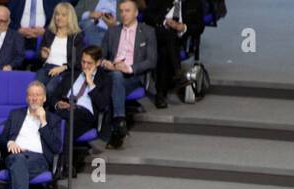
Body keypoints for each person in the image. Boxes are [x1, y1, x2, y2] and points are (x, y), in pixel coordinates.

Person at [0, 80, 62, 189]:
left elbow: (56, 147)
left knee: (16, 167)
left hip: (38, 159)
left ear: (44, 98)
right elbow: (1, 140)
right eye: (31, 95)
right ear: (27, 98)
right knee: (17, 160)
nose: (34, 98)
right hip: (15, 154)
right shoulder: (15, 114)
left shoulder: (53, 119)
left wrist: (43, 122)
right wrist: (10, 142)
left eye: (38, 95)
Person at [98, 0, 155, 149]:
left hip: (133, 76)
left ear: (136, 13)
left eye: (127, 11)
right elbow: (101, 56)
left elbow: (151, 61)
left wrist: (129, 68)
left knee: (114, 82)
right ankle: (119, 123)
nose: (123, 14)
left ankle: (116, 124)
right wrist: (106, 63)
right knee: (115, 78)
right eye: (121, 11)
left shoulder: (148, 31)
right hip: (112, 74)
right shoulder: (112, 31)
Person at [142, 0, 202, 110]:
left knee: (164, 51)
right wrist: (164, 21)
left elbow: (199, 26)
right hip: (159, 33)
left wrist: (183, 27)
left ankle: (160, 95)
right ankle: (177, 73)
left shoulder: (194, 3)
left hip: (179, 38)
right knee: (169, 36)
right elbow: (146, 15)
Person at [47, 46, 110, 143]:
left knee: (65, 122)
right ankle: (62, 156)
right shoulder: (71, 75)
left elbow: (102, 105)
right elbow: (54, 96)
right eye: (83, 62)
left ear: (98, 63)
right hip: (64, 109)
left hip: (84, 114)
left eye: (89, 63)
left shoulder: (105, 79)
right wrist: (58, 104)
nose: (85, 66)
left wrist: (91, 84)